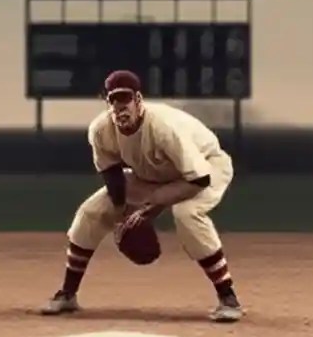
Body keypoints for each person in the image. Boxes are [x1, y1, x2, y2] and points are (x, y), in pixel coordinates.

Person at [38, 70, 244, 323]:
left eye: (125, 99)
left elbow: (198, 179)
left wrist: (150, 209)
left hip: (206, 167)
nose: (119, 107)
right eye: (113, 100)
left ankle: (228, 297)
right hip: (151, 174)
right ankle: (67, 294)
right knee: (91, 213)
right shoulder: (101, 130)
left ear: (138, 100)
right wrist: (122, 214)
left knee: (187, 214)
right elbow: (113, 177)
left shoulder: (163, 128)